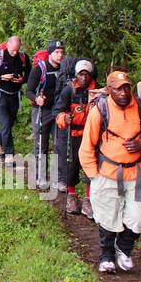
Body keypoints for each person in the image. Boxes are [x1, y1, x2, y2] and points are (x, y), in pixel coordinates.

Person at [79, 70, 141, 273]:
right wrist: (94, 176)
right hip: (107, 173)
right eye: (118, 89)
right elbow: (87, 147)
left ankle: (124, 249)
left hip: (137, 173)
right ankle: (106, 255)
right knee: (107, 216)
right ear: (109, 91)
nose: (124, 93)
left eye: (126, 87)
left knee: (138, 217)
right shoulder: (100, 111)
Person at [54, 60, 97, 216]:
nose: (83, 78)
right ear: (76, 75)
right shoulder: (69, 91)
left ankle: (88, 199)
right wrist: (64, 118)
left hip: (90, 134)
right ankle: (71, 196)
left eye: (86, 74)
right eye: (80, 74)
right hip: (71, 134)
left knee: (90, 167)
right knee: (70, 166)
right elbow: (57, 111)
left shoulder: (97, 91)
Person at [27, 40, 65, 191]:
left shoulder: (65, 69)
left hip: (59, 111)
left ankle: (58, 179)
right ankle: (40, 177)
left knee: (59, 145)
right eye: (56, 52)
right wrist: (37, 99)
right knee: (41, 144)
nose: (60, 55)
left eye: (62, 52)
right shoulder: (39, 69)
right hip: (42, 112)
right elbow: (28, 90)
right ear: (50, 53)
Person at [0, 35, 29, 161]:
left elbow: (29, 74)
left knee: (9, 123)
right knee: (5, 123)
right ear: (8, 45)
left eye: (17, 49)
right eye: (13, 50)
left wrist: (22, 80)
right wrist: (1, 78)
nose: (15, 52)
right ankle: (9, 155)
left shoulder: (23, 57)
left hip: (15, 94)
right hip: (0, 93)